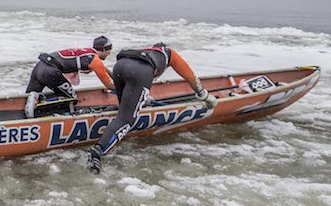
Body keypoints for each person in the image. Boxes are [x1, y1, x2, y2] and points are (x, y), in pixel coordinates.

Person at [84, 42, 218, 174]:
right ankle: (97, 152)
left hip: (120, 66)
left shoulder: (147, 51)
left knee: (123, 111)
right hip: (139, 72)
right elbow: (190, 77)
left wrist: (140, 96)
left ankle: (109, 135)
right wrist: (204, 96)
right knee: (126, 119)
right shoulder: (169, 54)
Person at [24, 36, 115, 117]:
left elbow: (104, 69)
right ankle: (44, 104)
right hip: (50, 71)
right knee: (71, 98)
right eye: (109, 50)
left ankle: (32, 102)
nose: (109, 53)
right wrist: (122, 89)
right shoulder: (95, 61)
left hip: (39, 67)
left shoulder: (87, 53)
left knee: (28, 97)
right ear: (104, 50)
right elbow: (109, 85)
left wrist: (113, 76)